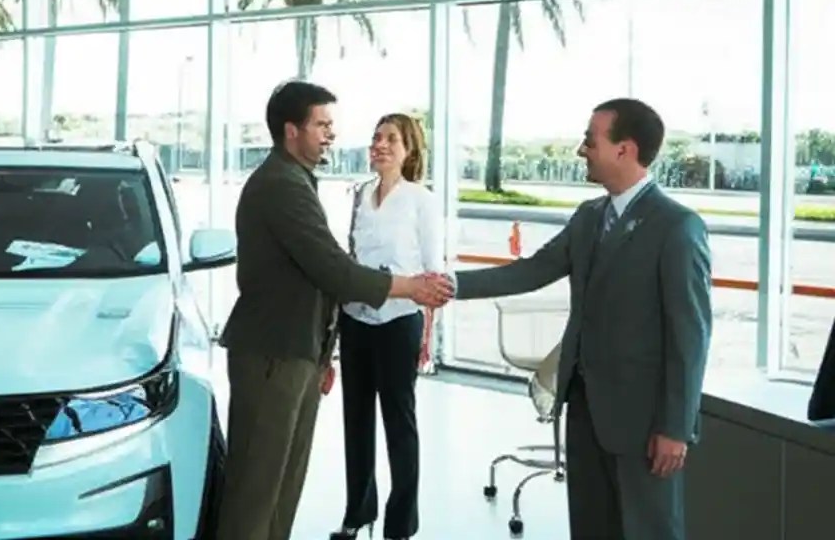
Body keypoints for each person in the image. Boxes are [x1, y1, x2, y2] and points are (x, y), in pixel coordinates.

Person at [452, 98, 712, 540]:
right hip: (586, 408)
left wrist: (675, 428)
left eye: (590, 140)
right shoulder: (589, 217)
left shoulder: (676, 227)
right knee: (592, 526)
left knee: (648, 530)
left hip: (643, 423)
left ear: (624, 150)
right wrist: (449, 285)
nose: (580, 150)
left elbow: (691, 337)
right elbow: (532, 270)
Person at [216, 81, 454, 540]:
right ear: (292, 131)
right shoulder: (282, 186)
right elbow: (335, 270)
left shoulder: (300, 181)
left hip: (306, 348)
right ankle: (359, 512)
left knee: (282, 486)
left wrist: (325, 354)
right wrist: (410, 288)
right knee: (257, 490)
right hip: (274, 352)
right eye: (322, 124)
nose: (331, 134)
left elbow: (327, 275)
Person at [331, 113, 441, 540]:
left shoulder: (421, 199)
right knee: (355, 420)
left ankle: (400, 523)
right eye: (376, 137)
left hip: (399, 322)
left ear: (408, 150)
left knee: (399, 423)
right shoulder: (360, 194)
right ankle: (357, 513)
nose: (379, 145)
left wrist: (428, 333)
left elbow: (432, 272)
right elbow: (351, 257)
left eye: (391, 139)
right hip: (357, 320)